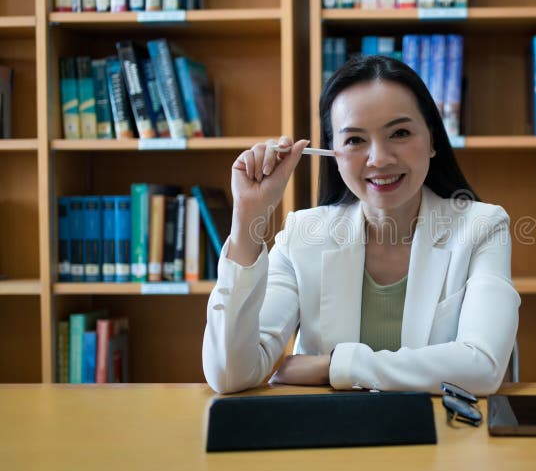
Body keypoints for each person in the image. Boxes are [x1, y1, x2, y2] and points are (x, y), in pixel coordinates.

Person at [202, 55, 520, 395]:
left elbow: (482, 367)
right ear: (333, 152)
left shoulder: (483, 227)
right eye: (355, 140)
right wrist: (249, 218)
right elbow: (230, 374)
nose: (379, 159)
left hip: (441, 435)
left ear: (432, 141)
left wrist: (334, 365)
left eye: (399, 132)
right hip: (330, 438)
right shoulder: (302, 235)